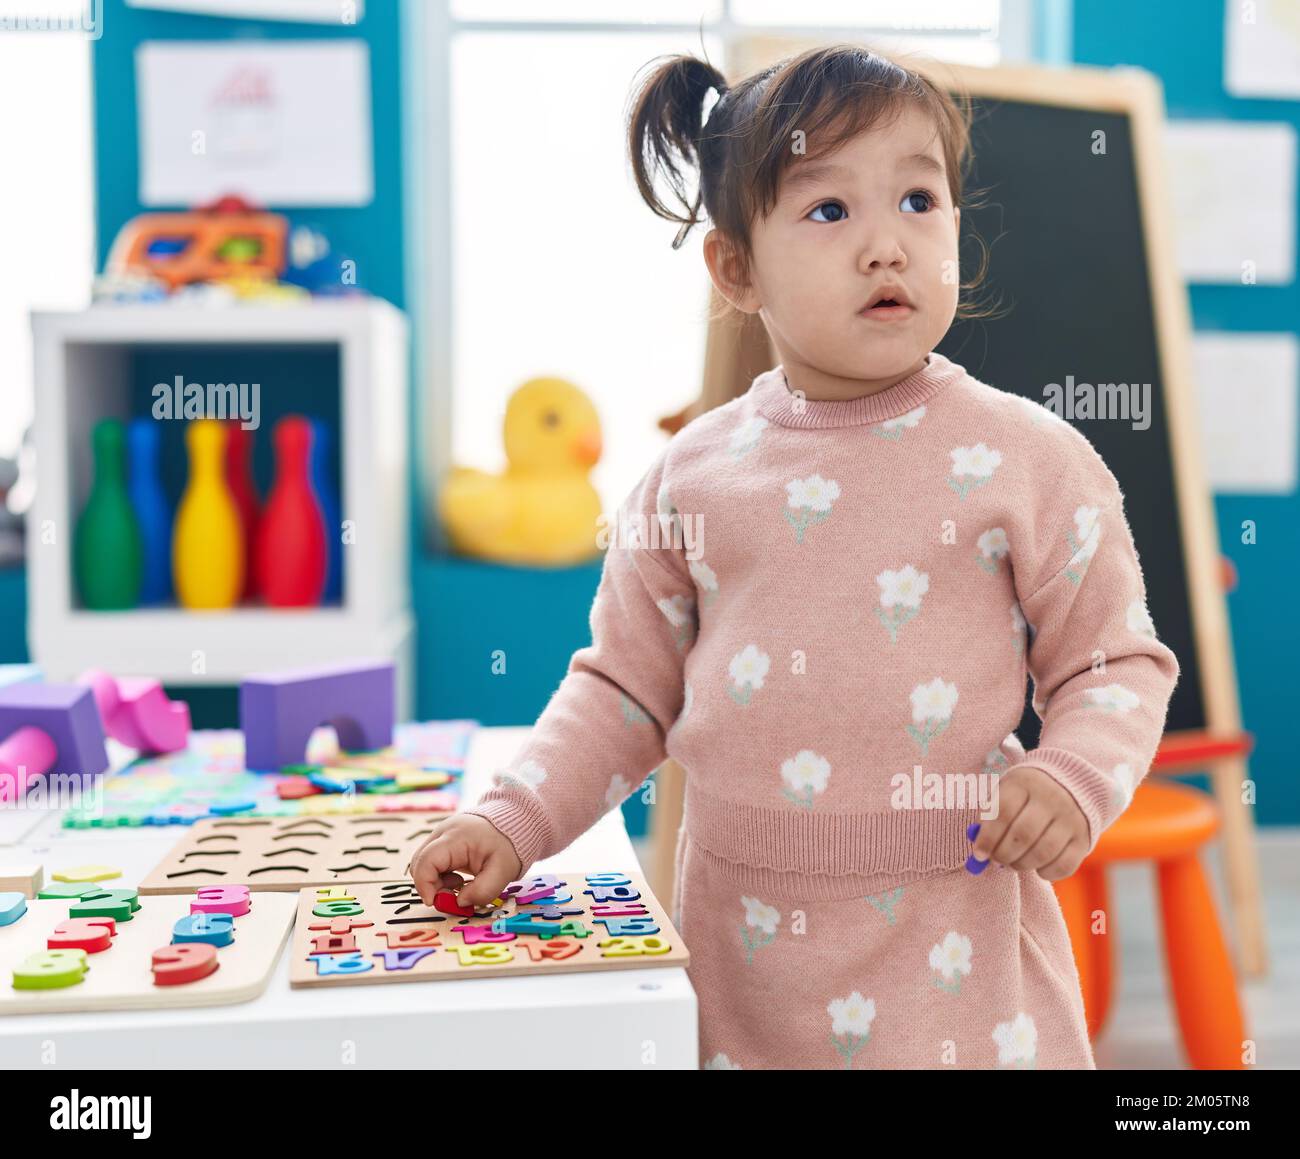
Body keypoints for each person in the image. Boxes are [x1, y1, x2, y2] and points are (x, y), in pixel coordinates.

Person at [411, 44, 1180, 1070]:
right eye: (830, 211)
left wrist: (1074, 771)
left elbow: (1115, 661)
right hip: (747, 952)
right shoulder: (689, 476)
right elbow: (621, 691)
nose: (885, 246)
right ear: (736, 266)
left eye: (918, 200)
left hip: (958, 950)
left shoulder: (1027, 458)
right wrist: (514, 820)